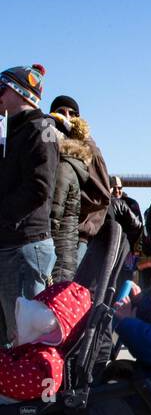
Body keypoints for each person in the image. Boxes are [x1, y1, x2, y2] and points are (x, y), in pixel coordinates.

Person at [0, 63, 57, 347]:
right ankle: (18, 389)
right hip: (13, 244)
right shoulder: (15, 133)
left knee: (29, 337)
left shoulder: (41, 127)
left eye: (1, 89)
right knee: (15, 334)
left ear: (18, 92)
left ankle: (34, 391)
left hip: (26, 245)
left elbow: (40, 187)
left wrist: (3, 215)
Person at [46, 95, 112, 263]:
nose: (66, 116)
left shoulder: (88, 147)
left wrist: (69, 202)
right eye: (61, 112)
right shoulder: (47, 142)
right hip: (48, 230)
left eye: (72, 113)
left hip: (77, 233)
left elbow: (101, 195)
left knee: (65, 285)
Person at [47, 113, 84, 283]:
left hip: (58, 254)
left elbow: (54, 214)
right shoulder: (67, 164)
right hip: (64, 252)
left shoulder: (62, 167)